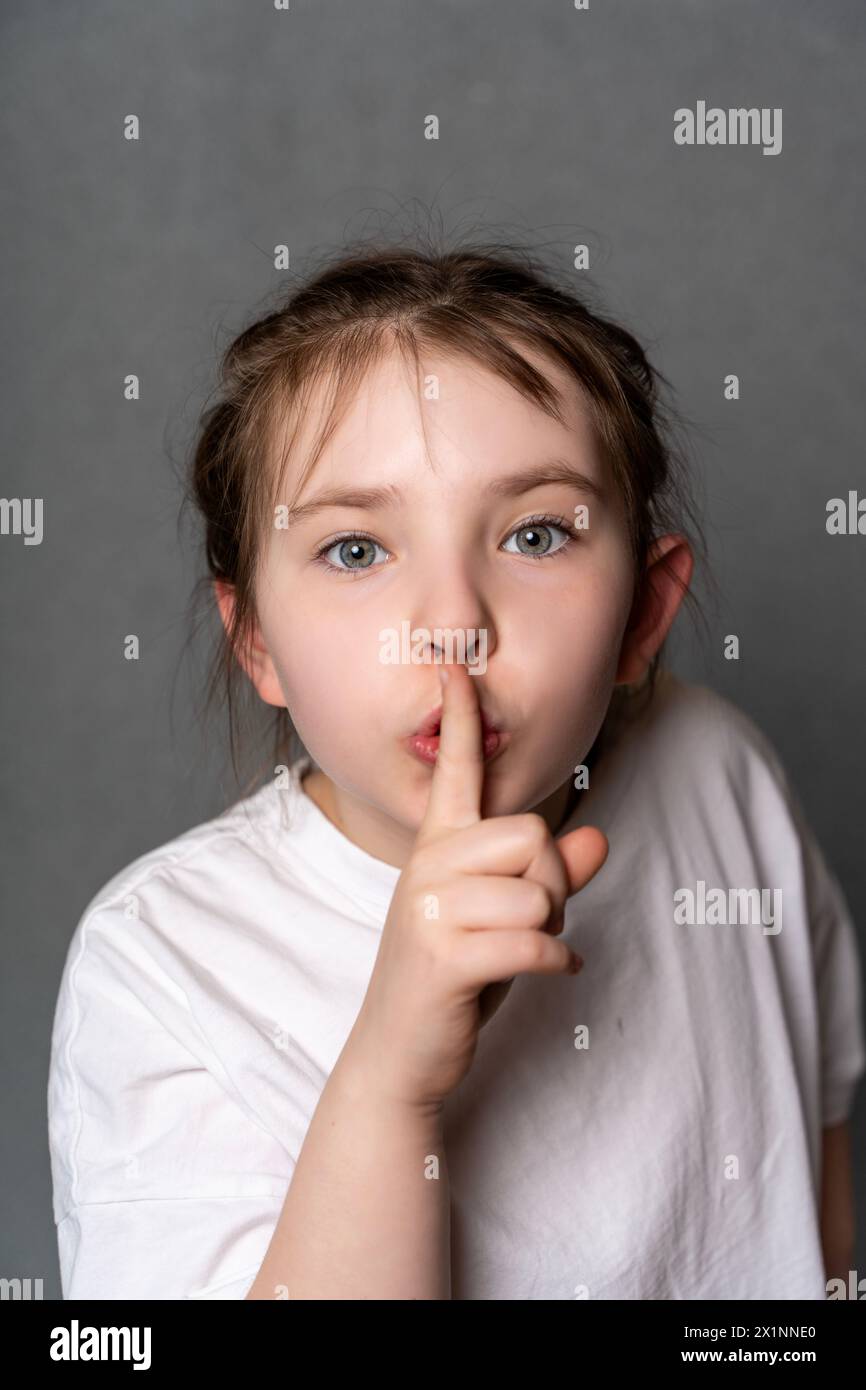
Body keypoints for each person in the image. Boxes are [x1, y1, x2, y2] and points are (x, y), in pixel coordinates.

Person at [48, 242, 865, 1299]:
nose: (449, 626)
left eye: (533, 533)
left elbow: (811, 1164)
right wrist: (391, 1079)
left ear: (641, 617)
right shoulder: (161, 963)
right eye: (354, 550)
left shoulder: (717, 769)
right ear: (256, 642)